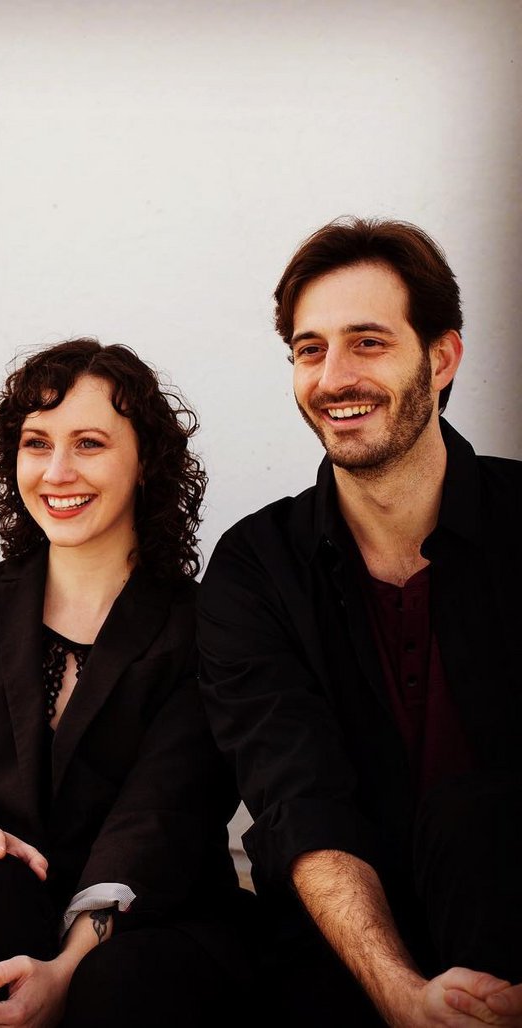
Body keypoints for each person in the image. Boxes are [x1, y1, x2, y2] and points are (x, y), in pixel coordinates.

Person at [198, 217, 522, 1027]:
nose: (333, 377)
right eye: (309, 350)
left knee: (476, 821)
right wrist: (402, 996)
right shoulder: (255, 567)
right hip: (342, 949)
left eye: (367, 343)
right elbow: (297, 799)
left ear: (441, 358)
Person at [0, 339, 251, 1028]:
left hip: (156, 917)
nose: (57, 471)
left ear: (145, 462)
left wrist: (65, 967)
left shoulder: (202, 623)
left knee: (115, 984)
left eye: (89, 443)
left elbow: (162, 817)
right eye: (37, 444)